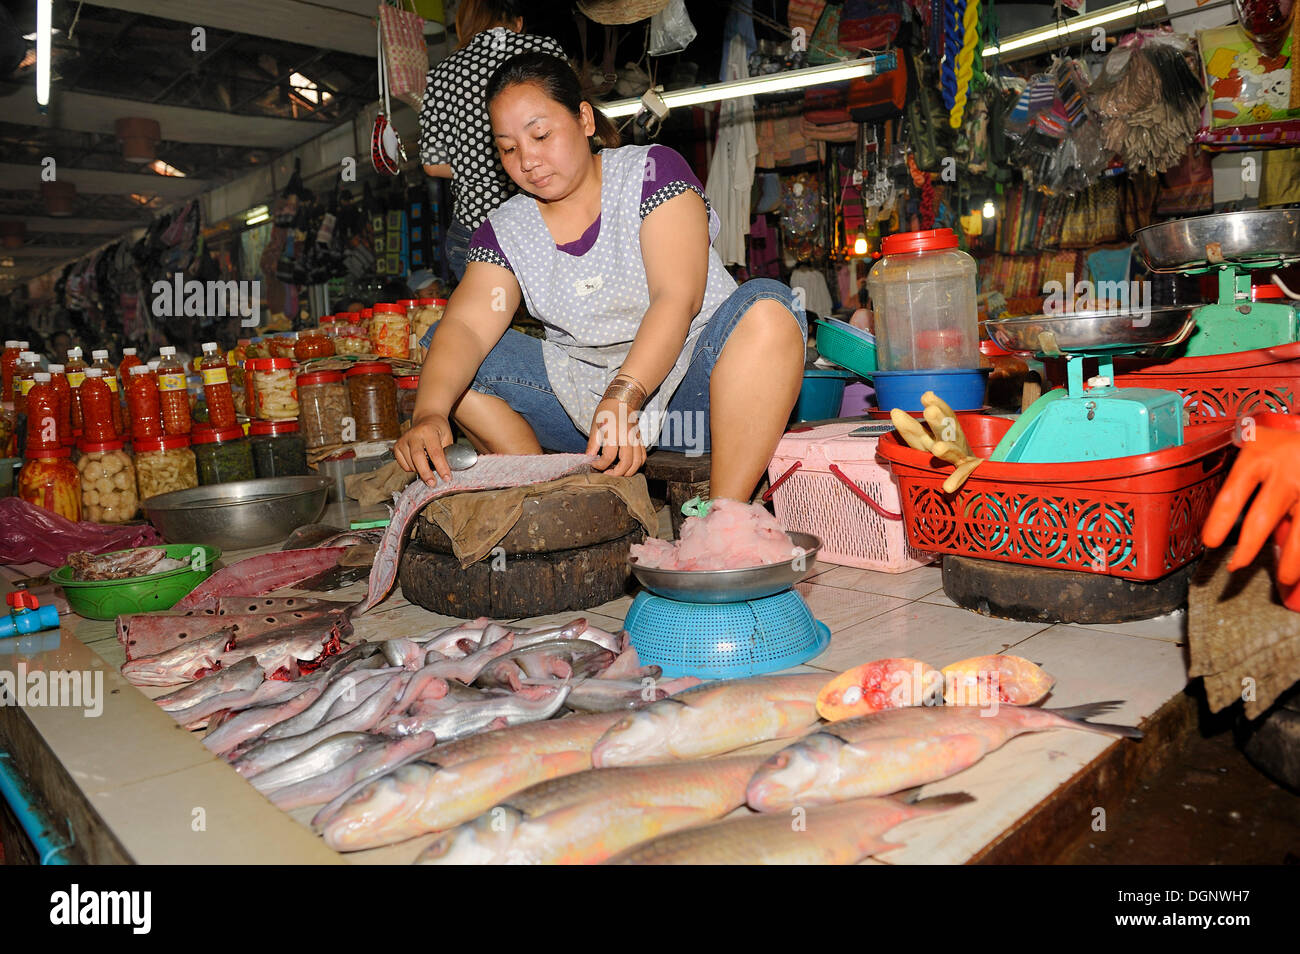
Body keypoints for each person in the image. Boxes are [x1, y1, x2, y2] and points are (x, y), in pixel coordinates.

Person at [395, 53, 807, 504]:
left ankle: (726, 518)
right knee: (445, 352)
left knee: (769, 308)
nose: (527, 160)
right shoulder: (507, 230)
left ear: (584, 119)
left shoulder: (651, 173)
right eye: (509, 148)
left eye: (541, 135)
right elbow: (468, 328)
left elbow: (676, 298)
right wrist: (430, 414)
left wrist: (625, 395)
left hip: (697, 398)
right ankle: (551, 502)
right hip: (587, 417)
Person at [419, 0, 567, 282]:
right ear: (518, 22)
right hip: (544, 218)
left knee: (486, 325)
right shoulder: (543, 51)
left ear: (464, 24)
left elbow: (433, 165)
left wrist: (476, 166)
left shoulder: (440, 75)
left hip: (475, 229)